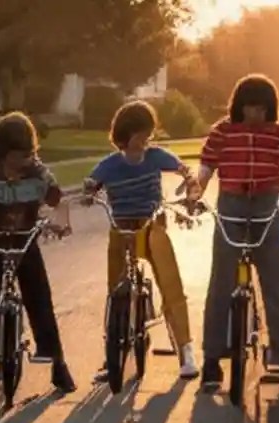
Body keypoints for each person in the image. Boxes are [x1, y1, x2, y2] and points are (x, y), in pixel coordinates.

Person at [196, 73, 279, 389]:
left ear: (270, 109)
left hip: (266, 209)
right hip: (230, 209)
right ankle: (211, 361)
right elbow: (206, 167)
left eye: (262, 109)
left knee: (277, 286)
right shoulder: (222, 131)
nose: (255, 116)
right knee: (221, 283)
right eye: (249, 108)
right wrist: (195, 193)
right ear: (239, 107)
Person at [0, 111, 76, 397]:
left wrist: (59, 221)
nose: (23, 162)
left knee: (40, 300)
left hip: (25, 243)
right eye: (17, 156)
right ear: (1, 152)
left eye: (28, 154)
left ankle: (58, 364)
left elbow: (58, 201)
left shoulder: (39, 173)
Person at [84, 100, 202, 380]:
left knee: (170, 283)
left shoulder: (155, 156)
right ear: (125, 134)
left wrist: (190, 182)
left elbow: (182, 169)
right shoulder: (110, 165)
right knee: (116, 289)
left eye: (147, 132)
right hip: (122, 228)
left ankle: (185, 349)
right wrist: (88, 191)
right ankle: (112, 355)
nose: (145, 139)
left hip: (152, 225)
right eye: (140, 133)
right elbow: (92, 183)